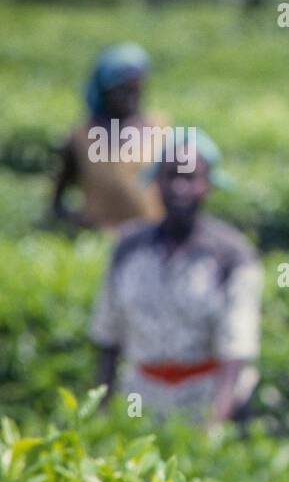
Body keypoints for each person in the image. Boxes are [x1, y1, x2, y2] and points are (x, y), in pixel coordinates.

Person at [88, 131, 261, 428]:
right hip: (141, 397)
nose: (179, 187)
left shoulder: (232, 255)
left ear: (207, 186)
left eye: (191, 177)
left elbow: (236, 351)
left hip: (206, 398)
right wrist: (101, 412)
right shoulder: (128, 248)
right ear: (156, 183)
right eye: (170, 176)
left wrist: (215, 426)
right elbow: (108, 335)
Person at [52, 43, 167, 233]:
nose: (131, 98)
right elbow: (57, 201)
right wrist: (81, 225)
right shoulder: (81, 138)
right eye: (122, 90)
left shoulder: (160, 128)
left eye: (136, 90)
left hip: (152, 239)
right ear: (103, 91)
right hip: (102, 242)